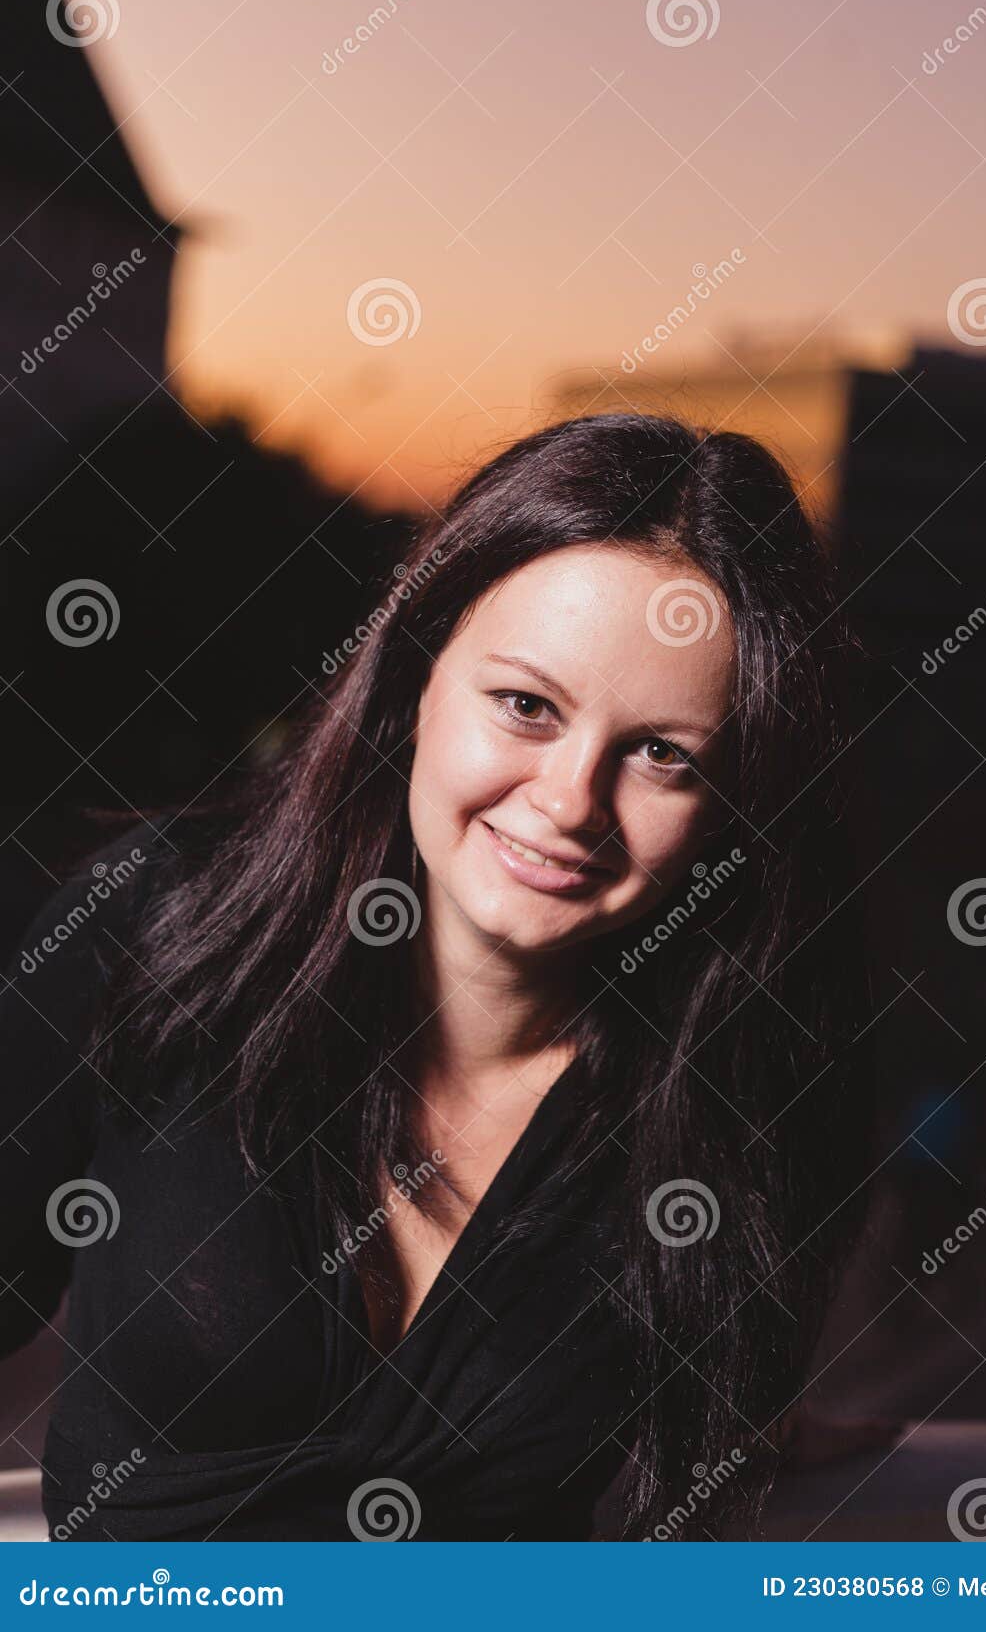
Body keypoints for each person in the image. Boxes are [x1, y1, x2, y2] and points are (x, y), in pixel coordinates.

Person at [0, 412, 874, 1541]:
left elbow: (710, 1453)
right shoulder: (167, 920)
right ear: (414, 682)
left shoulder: (744, 1101)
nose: (568, 801)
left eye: (662, 753)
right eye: (525, 705)